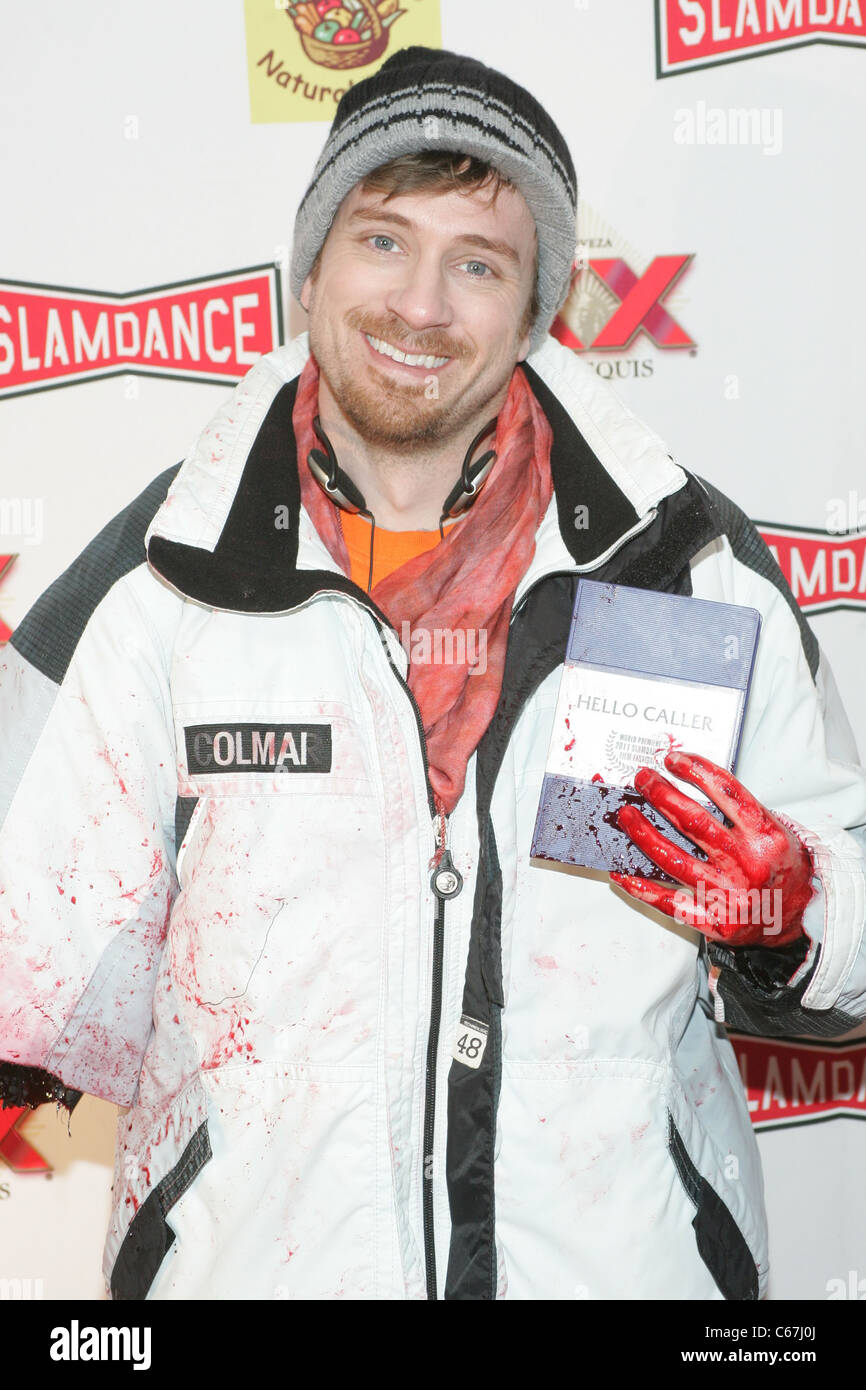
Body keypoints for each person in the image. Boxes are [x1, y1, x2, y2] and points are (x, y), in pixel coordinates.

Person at [1, 46, 865, 1303]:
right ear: (310, 265)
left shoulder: (678, 562)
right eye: (382, 239)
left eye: (478, 262)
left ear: (535, 309)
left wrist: (794, 917)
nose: (419, 305)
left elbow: (847, 932)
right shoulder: (161, 574)